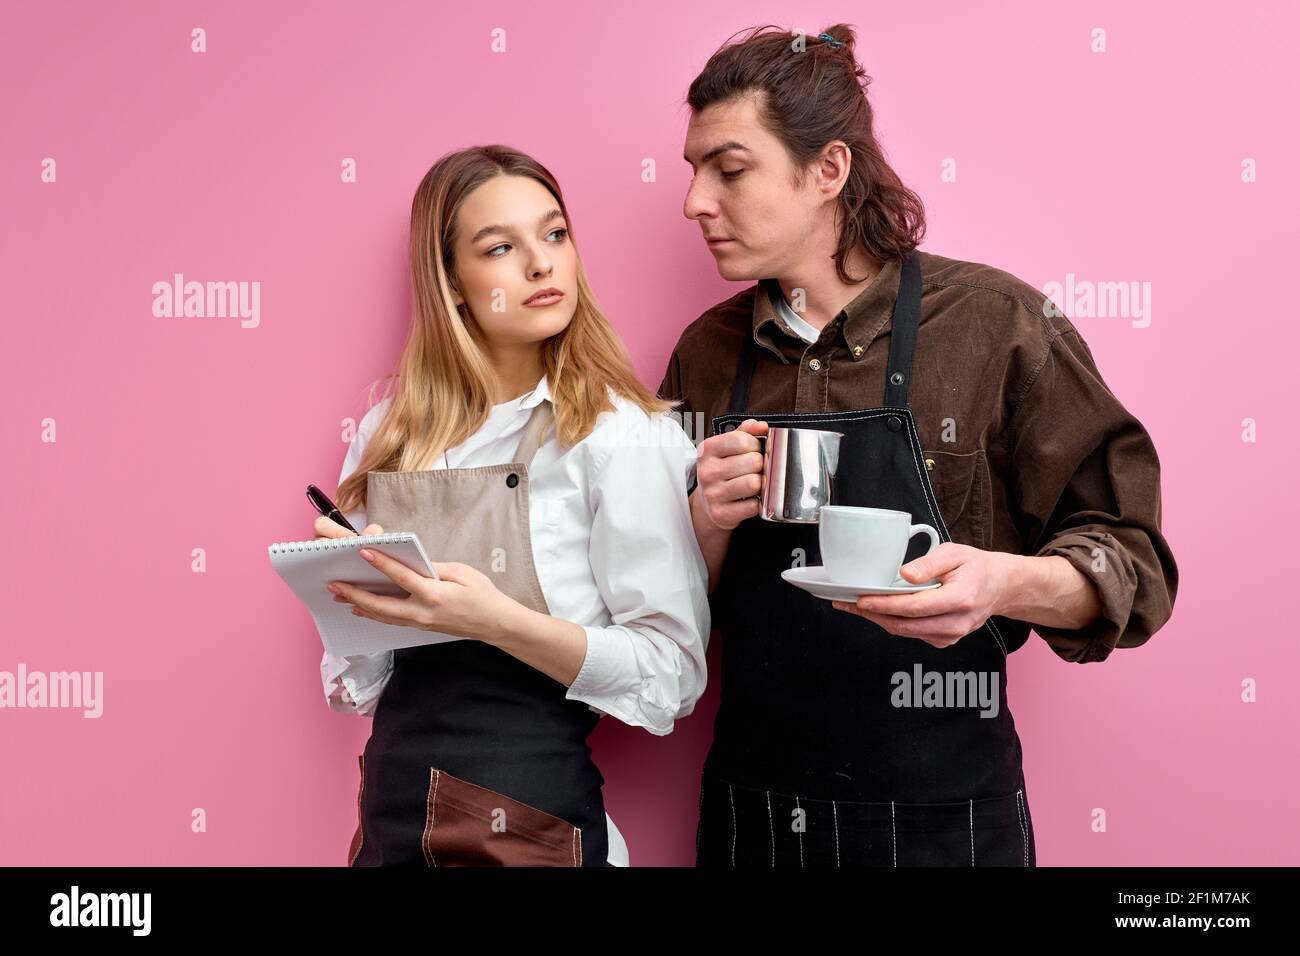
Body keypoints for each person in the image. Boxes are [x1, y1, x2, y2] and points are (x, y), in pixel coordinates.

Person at [660, 24, 1178, 866]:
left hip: (946, 824)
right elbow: (653, 616)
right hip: (751, 817)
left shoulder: (997, 328)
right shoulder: (706, 356)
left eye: (730, 168)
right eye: (692, 172)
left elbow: (1136, 567)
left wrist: (1003, 582)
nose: (693, 202)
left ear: (828, 170)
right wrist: (703, 524)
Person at [316, 144, 710, 867]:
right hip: (394, 819)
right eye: (501, 247)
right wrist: (351, 594)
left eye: (554, 234)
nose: (541, 264)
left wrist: (497, 623)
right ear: (453, 283)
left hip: (533, 830)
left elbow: (668, 673)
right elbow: (360, 689)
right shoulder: (389, 437)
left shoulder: (619, 433)